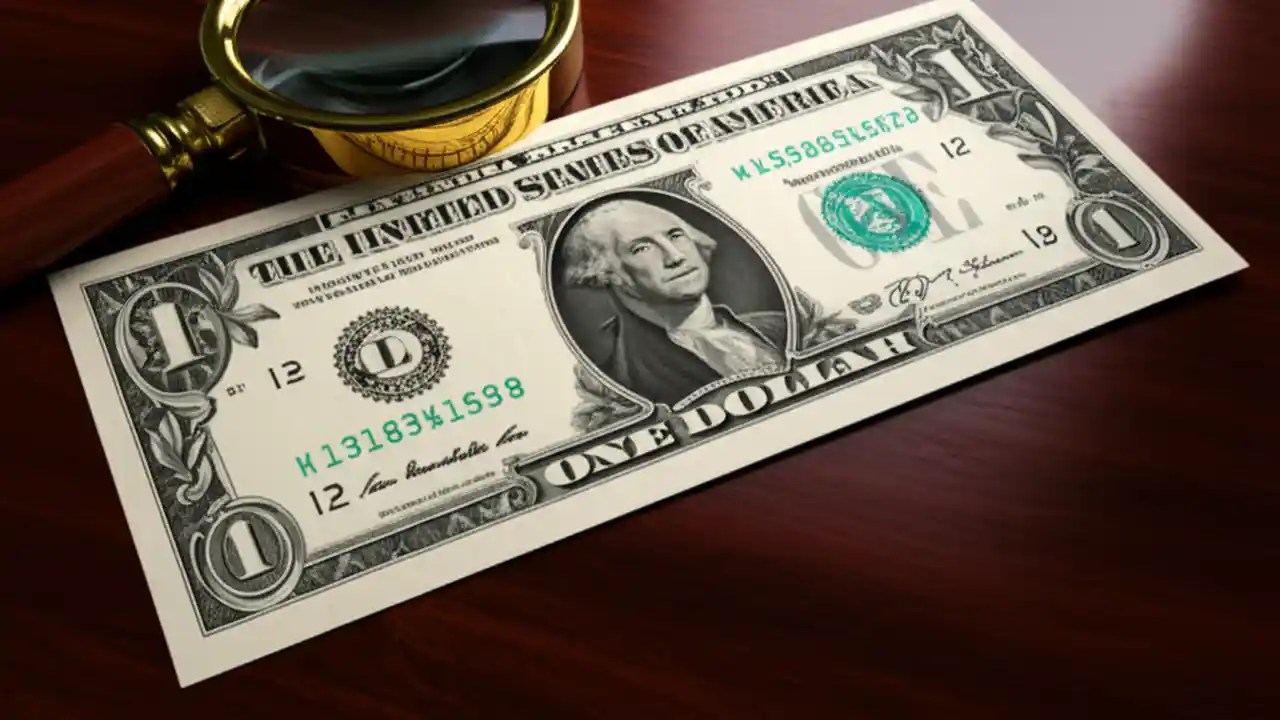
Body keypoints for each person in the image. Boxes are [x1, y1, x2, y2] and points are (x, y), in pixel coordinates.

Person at [560, 197, 787, 406]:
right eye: (641, 248)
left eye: (675, 236)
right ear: (606, 272)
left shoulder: (779, 326)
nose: (675, 257)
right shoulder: (623, 383)